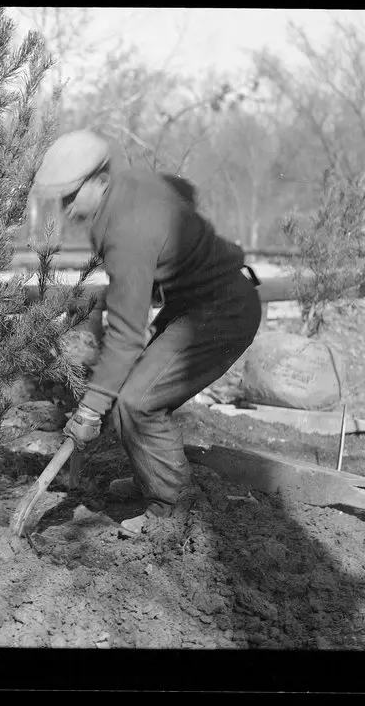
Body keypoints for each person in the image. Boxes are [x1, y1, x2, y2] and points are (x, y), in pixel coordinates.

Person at [30, 129, 262, 536]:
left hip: (222, 311)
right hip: (198, 300)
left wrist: (88, 410)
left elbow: (125, 336)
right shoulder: (133, 182)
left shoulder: (127, 233)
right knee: (128, 391)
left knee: (138, 401)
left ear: (99, 180)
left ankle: (171, 510)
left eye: (71, 197)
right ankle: (151, 479)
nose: (66, 210)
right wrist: (175, 257)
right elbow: (183, 190)